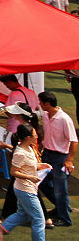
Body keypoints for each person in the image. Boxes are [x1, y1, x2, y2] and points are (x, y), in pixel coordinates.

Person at [0, 124, 50, 241]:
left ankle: (0, 231)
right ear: (28, 137)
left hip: (26, 188)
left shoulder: (28, 148)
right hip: (26, 190)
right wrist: (30, 177)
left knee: (23, 214)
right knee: (39, 220)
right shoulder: (20, 153)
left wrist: (40, 166)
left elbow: (28, 165)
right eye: (35, 135)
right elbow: (13, 171)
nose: (36, 137)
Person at [36, 91, 77, 228]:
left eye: (41, 102)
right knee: (42, 183)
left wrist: (69, 160)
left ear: (47, 104)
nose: (39, 104)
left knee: (60, 189)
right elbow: (46, 134)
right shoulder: (46, 116)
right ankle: (61, 207)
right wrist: (41, 147)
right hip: (47, 154)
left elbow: (74, 141)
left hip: (60, 157)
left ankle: (65, 218)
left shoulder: (64, 119)